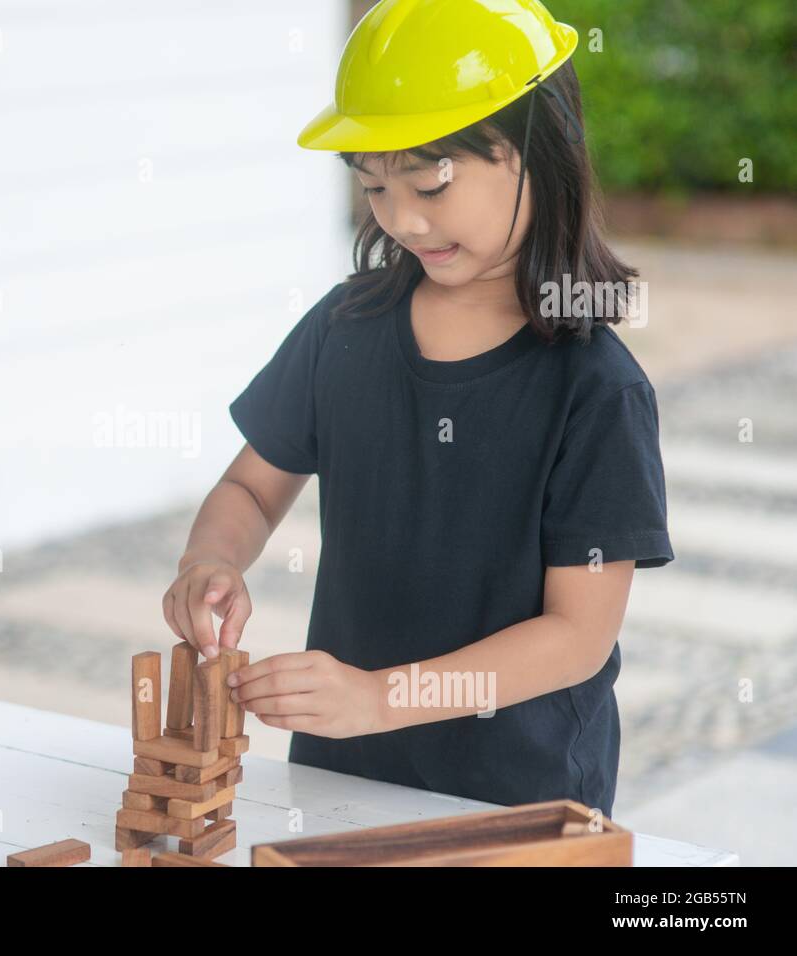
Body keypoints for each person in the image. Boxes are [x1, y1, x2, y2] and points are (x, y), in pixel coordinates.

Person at [160, 0, 673, 819]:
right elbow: (252, 490)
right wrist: (209, 562)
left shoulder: (595, 388)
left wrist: (377, 699)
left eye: (431, 180)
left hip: (517, 803)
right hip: (335, 778)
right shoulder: (346, 327)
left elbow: (579, 636)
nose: (402, 218)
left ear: (542, 150)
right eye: (374, 186)